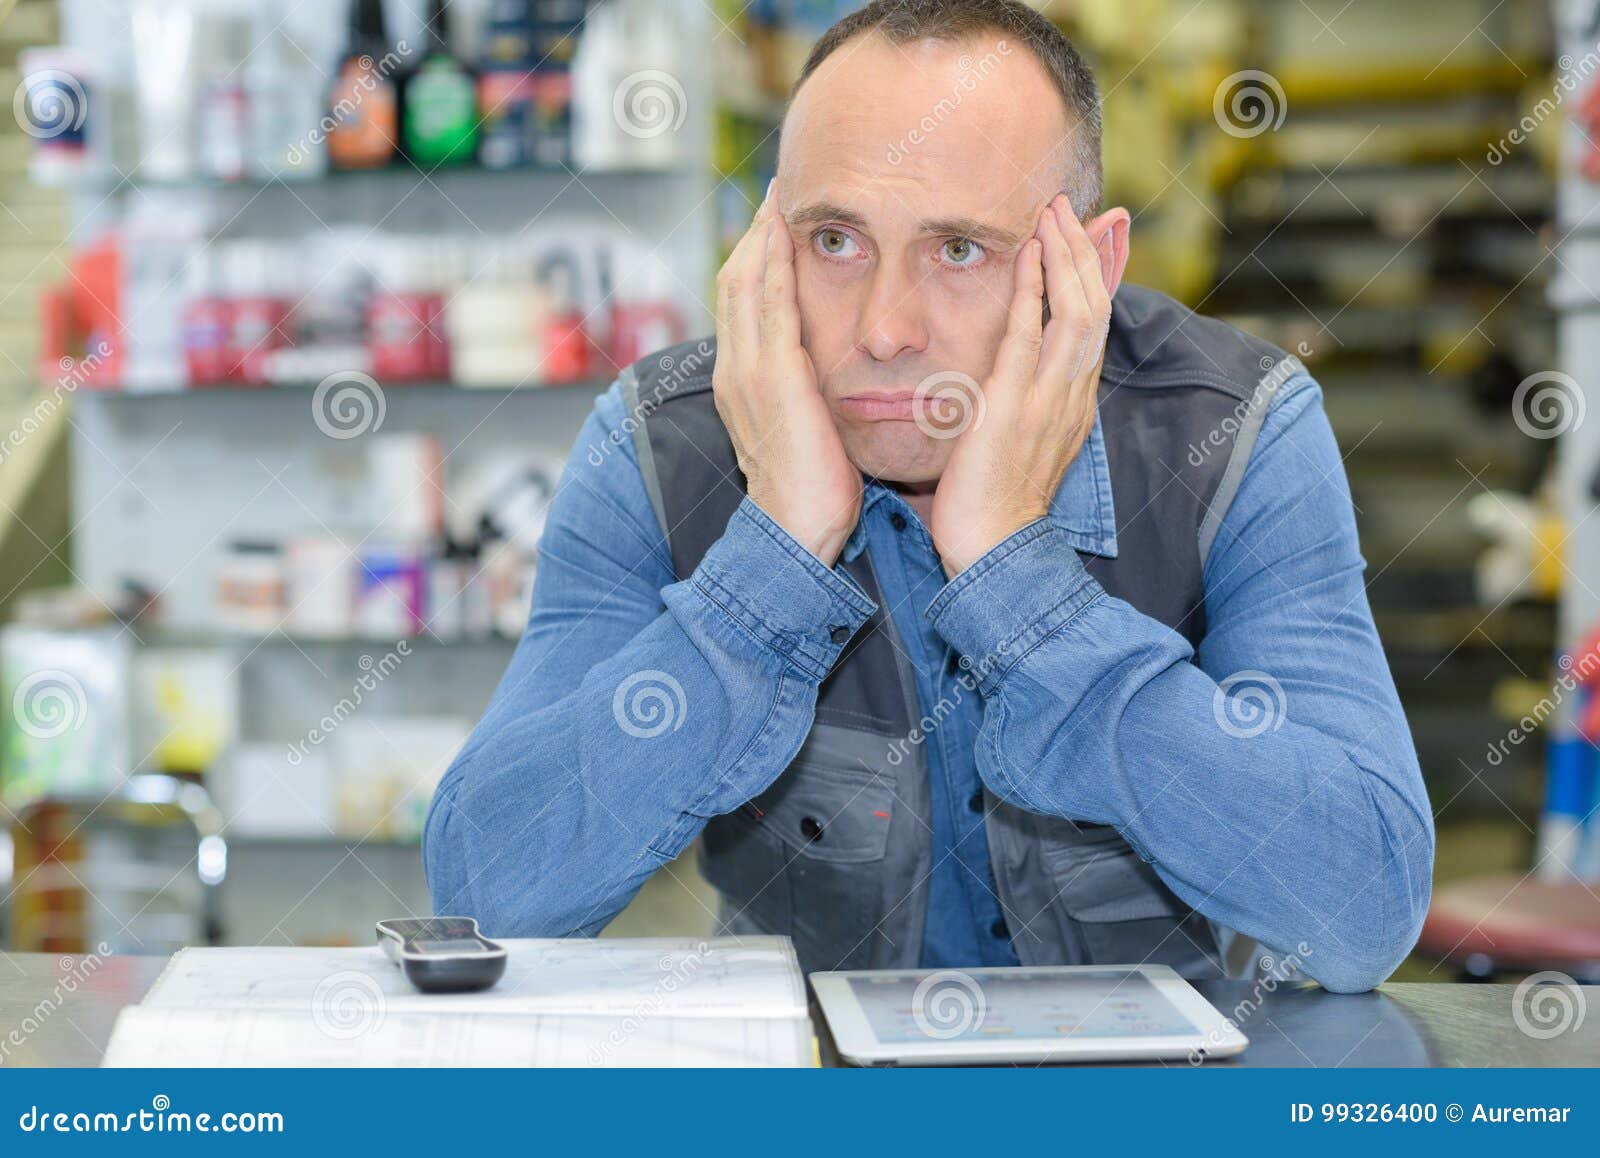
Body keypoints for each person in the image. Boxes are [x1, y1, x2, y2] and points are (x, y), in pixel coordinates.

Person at [424, 0, 1433, 993]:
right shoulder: (661, 447)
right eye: (833, 241)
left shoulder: (1234, 433)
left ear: (1089, 266)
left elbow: (1362, 915)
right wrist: (772, 554)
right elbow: (486, 892)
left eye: (958, 250)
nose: (884, 328)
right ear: (763, 247)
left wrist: (1018, 584)